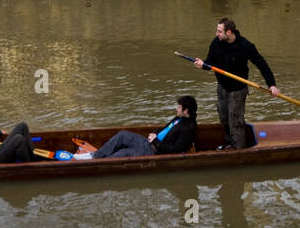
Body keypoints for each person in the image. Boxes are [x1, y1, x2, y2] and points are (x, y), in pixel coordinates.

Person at [193, 17, 280, 149]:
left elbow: (261, 64)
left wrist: (272, 85)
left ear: (229, 32)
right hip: (222, 87)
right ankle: (230, 144)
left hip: (237, 90)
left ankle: (239, 149)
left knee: (235, 121)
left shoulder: (245, 46)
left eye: (219, 31)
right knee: (224, 118)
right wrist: (202, 65)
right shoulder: (216, 43)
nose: (217, 34)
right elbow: (210, 62)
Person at [91, 96, 199, 158]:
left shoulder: (188, 128)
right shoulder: (179, 118)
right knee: (122, 135)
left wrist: (155, 141)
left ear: (186, 111)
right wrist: (154, 133)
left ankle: (92, 163)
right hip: (149, 143)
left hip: (154, 152)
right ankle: (94, 157)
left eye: (179, 107)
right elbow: (164, 128)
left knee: (123, 153)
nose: (176, 109)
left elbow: (175, 150)